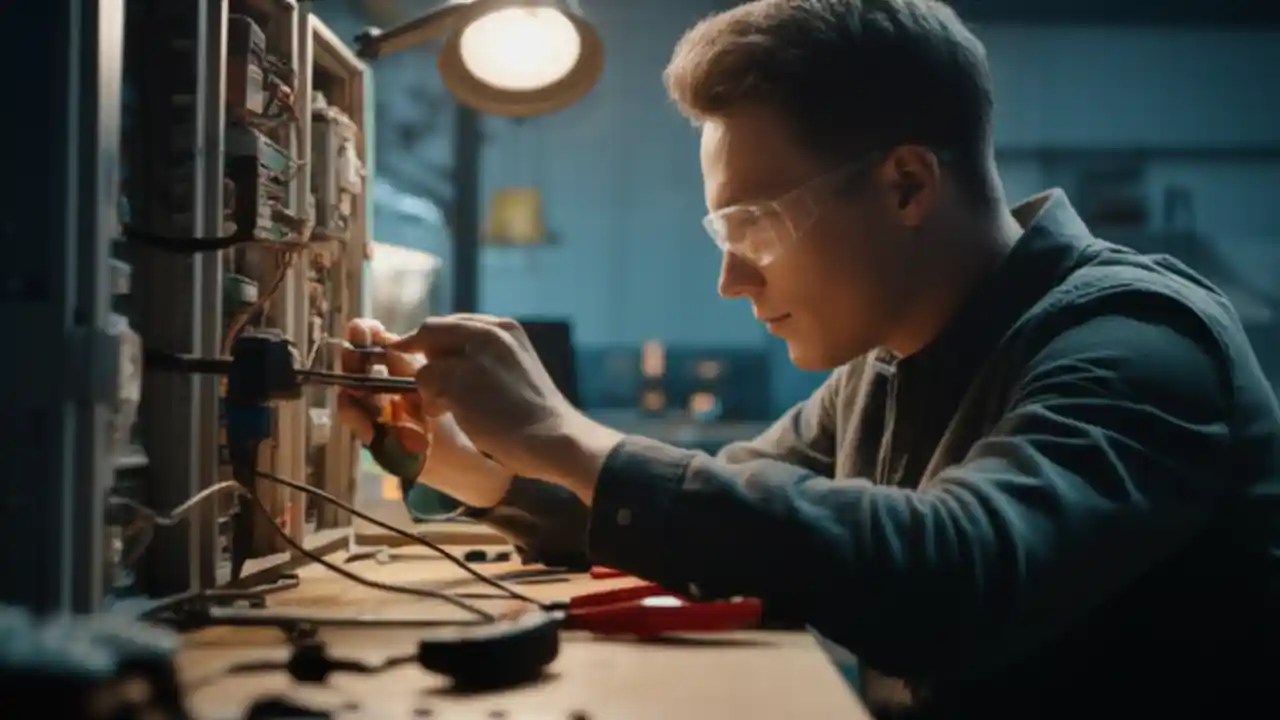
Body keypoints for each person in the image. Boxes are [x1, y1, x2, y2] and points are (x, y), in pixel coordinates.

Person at [338, 0, 1280, 716]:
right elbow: (718, 515)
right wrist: (484, 472)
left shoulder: (1136, 343)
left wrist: (565, 435)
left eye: (753, 222)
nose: (730, 279)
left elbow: (959, 578)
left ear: (907, 183)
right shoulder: (885, 368)